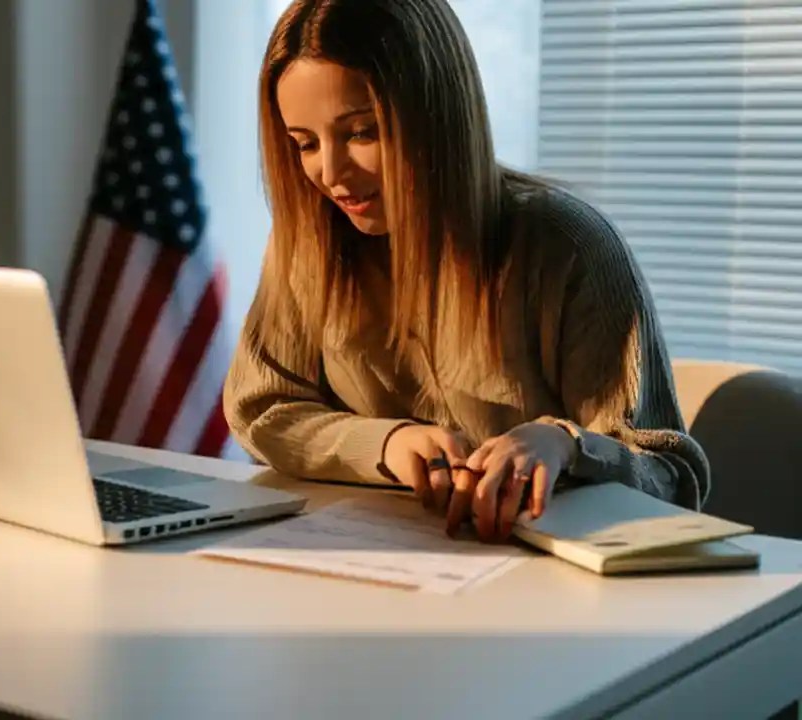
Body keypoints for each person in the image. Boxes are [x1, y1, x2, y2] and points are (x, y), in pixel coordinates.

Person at [223, 0, 710, 543]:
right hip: (380, 560)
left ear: (435, 116)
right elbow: (261, 410)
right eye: (305, 144)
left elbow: (672, 476)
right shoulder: (308, 241)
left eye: (362, 133)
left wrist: (565, 446)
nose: (331, 175)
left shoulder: (570, 246)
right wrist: (384, 444)